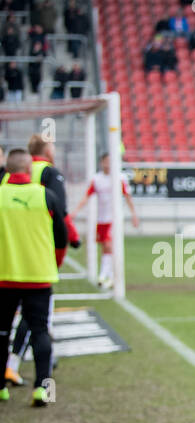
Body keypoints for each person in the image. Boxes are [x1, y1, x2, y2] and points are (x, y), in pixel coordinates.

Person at [6, 135, 82, 388]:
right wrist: (69, 243)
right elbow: (62, 216)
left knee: (9, 326)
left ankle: (10, 370)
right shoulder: (49, 176)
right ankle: (41, 384)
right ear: (45, 150)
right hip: (37, 266)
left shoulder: (4, 185)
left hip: (6, 268)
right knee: (38, 326)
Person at [0, 149, 68, 407]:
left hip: (4, 276)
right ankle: (42, 389)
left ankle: (1, 388)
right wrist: (55, 264)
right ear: (29, 171)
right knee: (40, 331)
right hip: (38, 276)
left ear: (6, 170)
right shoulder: (46, 196)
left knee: (2, 332)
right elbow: (61, 238)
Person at [70, 153, 140, 289]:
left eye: (109, 161)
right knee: (105, 247)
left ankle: (105, 275)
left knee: (109, 245)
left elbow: (128, 197)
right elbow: (87, 196)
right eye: (105, 162)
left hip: (113, 219)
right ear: (101, 163)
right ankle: (109, 275)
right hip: (100, 218)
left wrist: (134, 215)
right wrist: (75, 212)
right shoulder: (97, 179)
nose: (107, 164)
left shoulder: (120, 178)